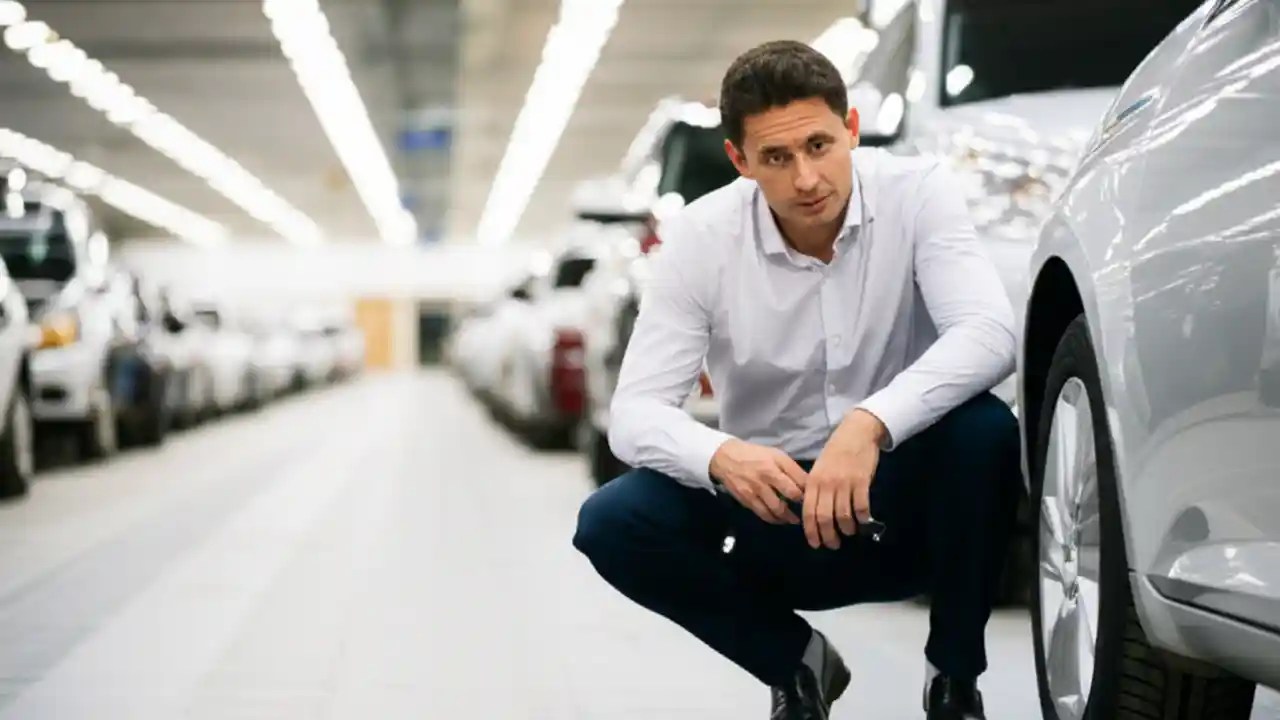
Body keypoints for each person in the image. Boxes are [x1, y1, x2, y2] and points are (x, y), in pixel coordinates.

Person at [573, 40, 1021, 720]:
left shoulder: (918, 191)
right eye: (777, 158)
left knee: (987, 431)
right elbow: (634, 412)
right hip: (774, 512)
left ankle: (954, 679)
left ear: (851, 131)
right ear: (740, 161)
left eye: (819, 145)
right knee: (611, 520)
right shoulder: (700, 237)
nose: (806, 178)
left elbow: (990, 333)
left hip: (901, 502)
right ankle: (794, 659)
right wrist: (720, 456)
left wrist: (870, 424)